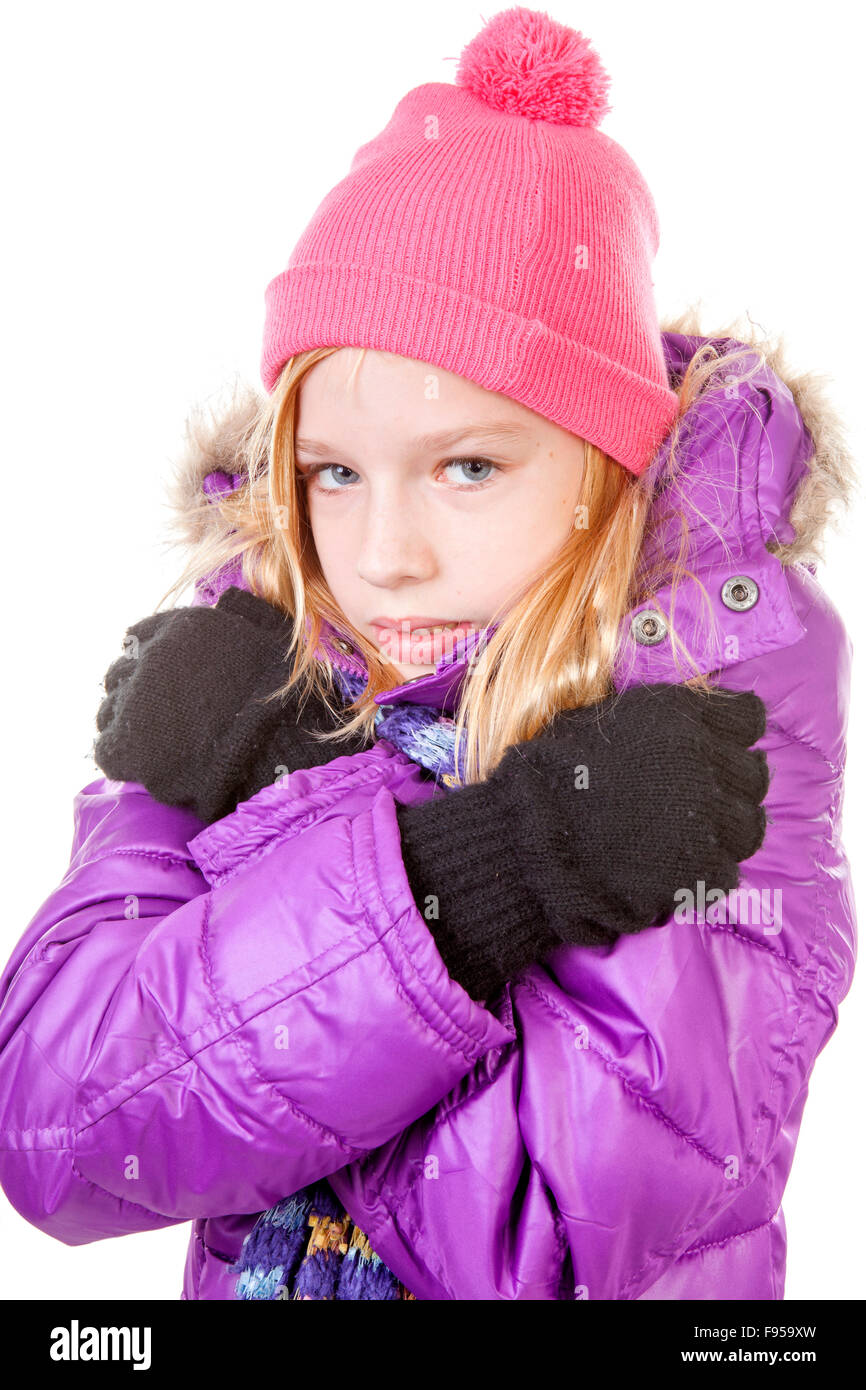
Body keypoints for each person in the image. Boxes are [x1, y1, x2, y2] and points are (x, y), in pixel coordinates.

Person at [0, 7, 855, 1301]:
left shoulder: (715, 705)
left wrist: (374, 841)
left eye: (466, 464)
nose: (381, 552)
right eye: (332, 472)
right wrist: (261, 790)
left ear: (600, 469)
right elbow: (55, 1133)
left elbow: (546, 1246)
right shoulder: (260, 660)